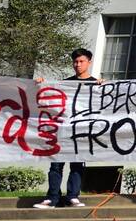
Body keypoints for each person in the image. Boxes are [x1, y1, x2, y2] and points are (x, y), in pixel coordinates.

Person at [33, 48, 101, 209]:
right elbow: (50, 97)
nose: (77, 65)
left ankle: (72, 196)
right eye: (75, 62)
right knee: (56, 164)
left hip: (82, 130)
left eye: (81, 61)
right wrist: (40, 85)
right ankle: (52, 197)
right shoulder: (65, 84)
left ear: (89, 63)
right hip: (63, 130)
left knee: (77, 164)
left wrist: (103, 86)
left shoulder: (96, 83)